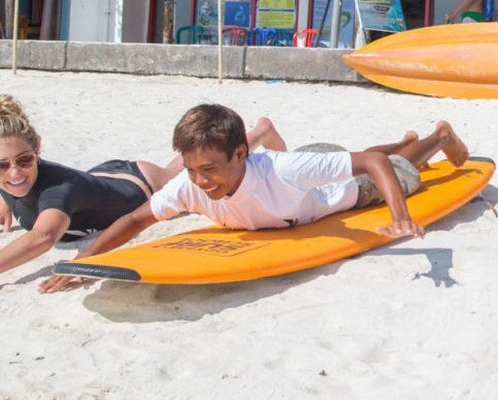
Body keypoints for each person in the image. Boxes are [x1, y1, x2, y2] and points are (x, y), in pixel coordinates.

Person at [39, 105, 471, 292]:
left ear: (241, 153)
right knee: (358, 157)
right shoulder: (188, 185)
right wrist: (82, 262)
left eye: (210, 169)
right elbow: (134, 221)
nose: (200, 181)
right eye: (191, 169)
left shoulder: (280, 169)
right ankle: (404, 137)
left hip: (340, 190)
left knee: (399, 171)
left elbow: (371, 165)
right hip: (312, 168)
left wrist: (398, 216)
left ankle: (438, 136)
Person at [0, 95, 287, 309]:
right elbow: (10, 181)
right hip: (98, 177)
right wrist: (3, 204)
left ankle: (258, 133)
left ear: (38, 151)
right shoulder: (10, 175)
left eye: (25, 160)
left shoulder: (58, 193)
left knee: (188, 171)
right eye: (1, 167)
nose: (15, 174)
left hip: (135, 183)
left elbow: (43, 239)